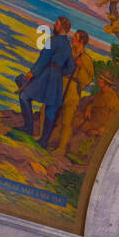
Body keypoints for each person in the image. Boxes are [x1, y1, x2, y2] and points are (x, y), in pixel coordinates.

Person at [19, 17, 74, 149]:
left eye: (57, 24)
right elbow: (71, 67)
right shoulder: (67, 45)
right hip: (56, 79)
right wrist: (60, 72)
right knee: (51, 109)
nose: (54, 25)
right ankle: (43, 141)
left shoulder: (52, 41)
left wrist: (33, 72)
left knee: (24, 96)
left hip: (46, 74)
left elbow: (44, 58)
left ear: (62, 27)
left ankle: (28, 128)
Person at [53, 30, 95, 158]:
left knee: (67, 120)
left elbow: (87, 80)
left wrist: (81, 67)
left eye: (76, 37)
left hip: (72, 90)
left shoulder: (86, 59)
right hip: (60, 84)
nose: (73, 39)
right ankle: (46, 139)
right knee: (49, 111)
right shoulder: (68, 52)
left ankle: (61, 148)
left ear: (81, 41)